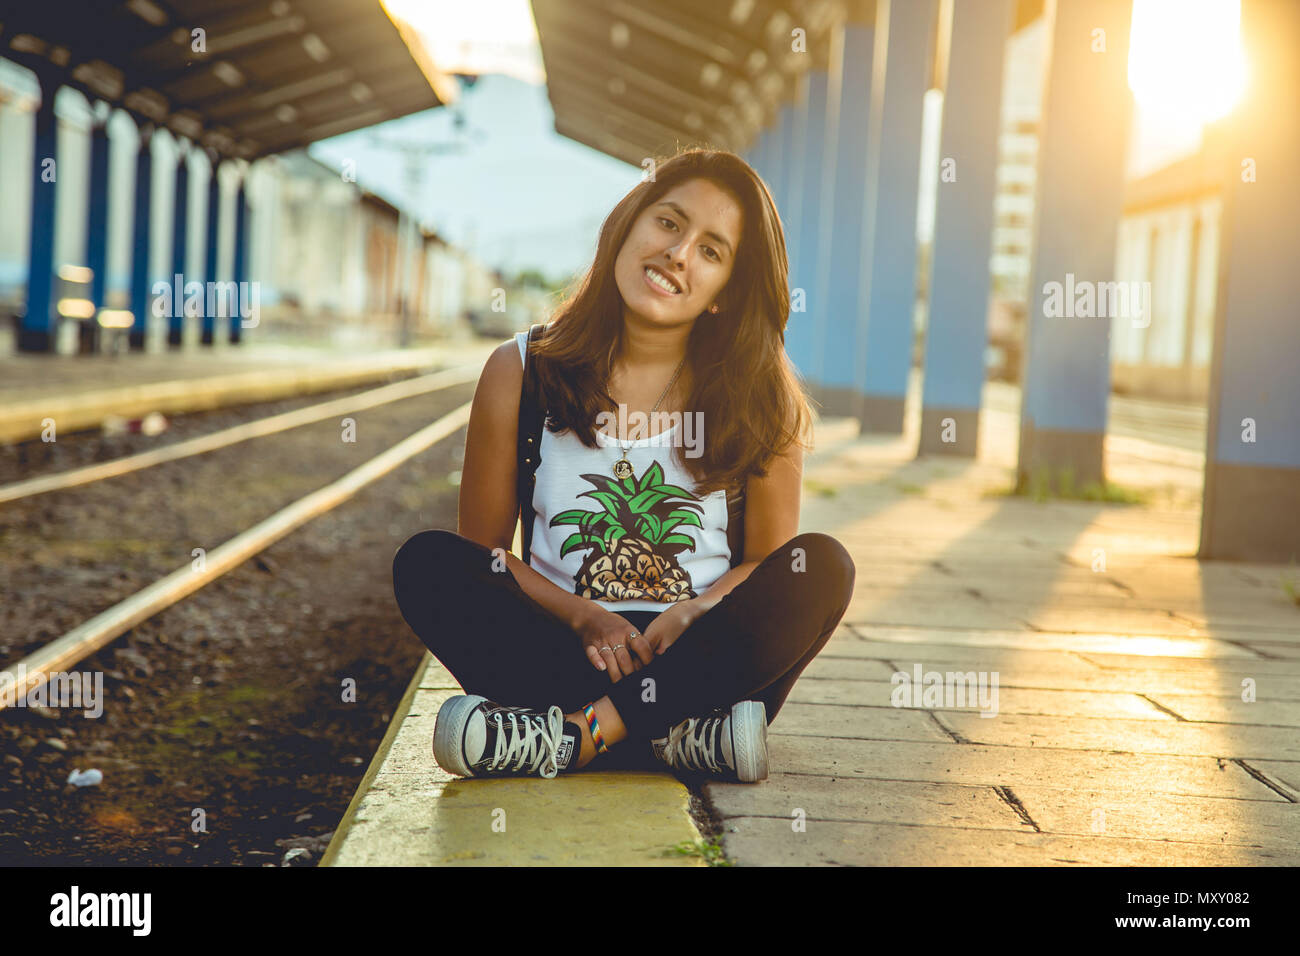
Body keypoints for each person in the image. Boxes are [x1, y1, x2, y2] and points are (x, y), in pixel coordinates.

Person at [392, 148, 855, 783]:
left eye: (711, 251)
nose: (679, 253)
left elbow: (767, 564)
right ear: (629, 224)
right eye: (669, 222)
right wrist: (584, 614)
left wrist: (695, 611)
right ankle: (678, 738)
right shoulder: (521, 370)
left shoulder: (759, 393)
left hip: (703, 656)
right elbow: (487, 555)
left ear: (724, 294)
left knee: (822, 566)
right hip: (563, 645)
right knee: (429, 563)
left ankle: (574, 736)